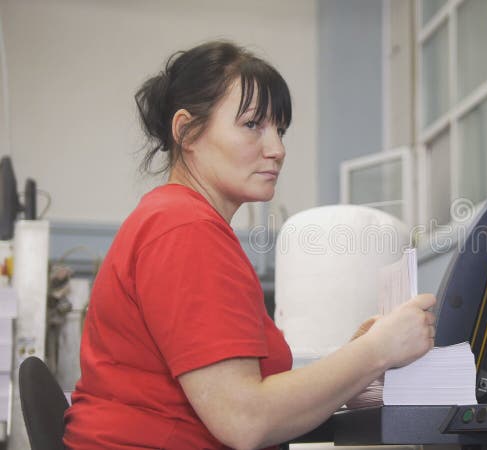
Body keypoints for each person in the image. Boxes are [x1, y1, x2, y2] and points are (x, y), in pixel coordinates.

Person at [63, 41, 436, 450]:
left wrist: (359, 356)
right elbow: (244, 420)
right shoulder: (184, 229)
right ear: (187, 131)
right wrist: (377, 351)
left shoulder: (177, 219)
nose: (277, 149)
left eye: (280, 129)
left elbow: (247, 401)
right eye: (253, 125)